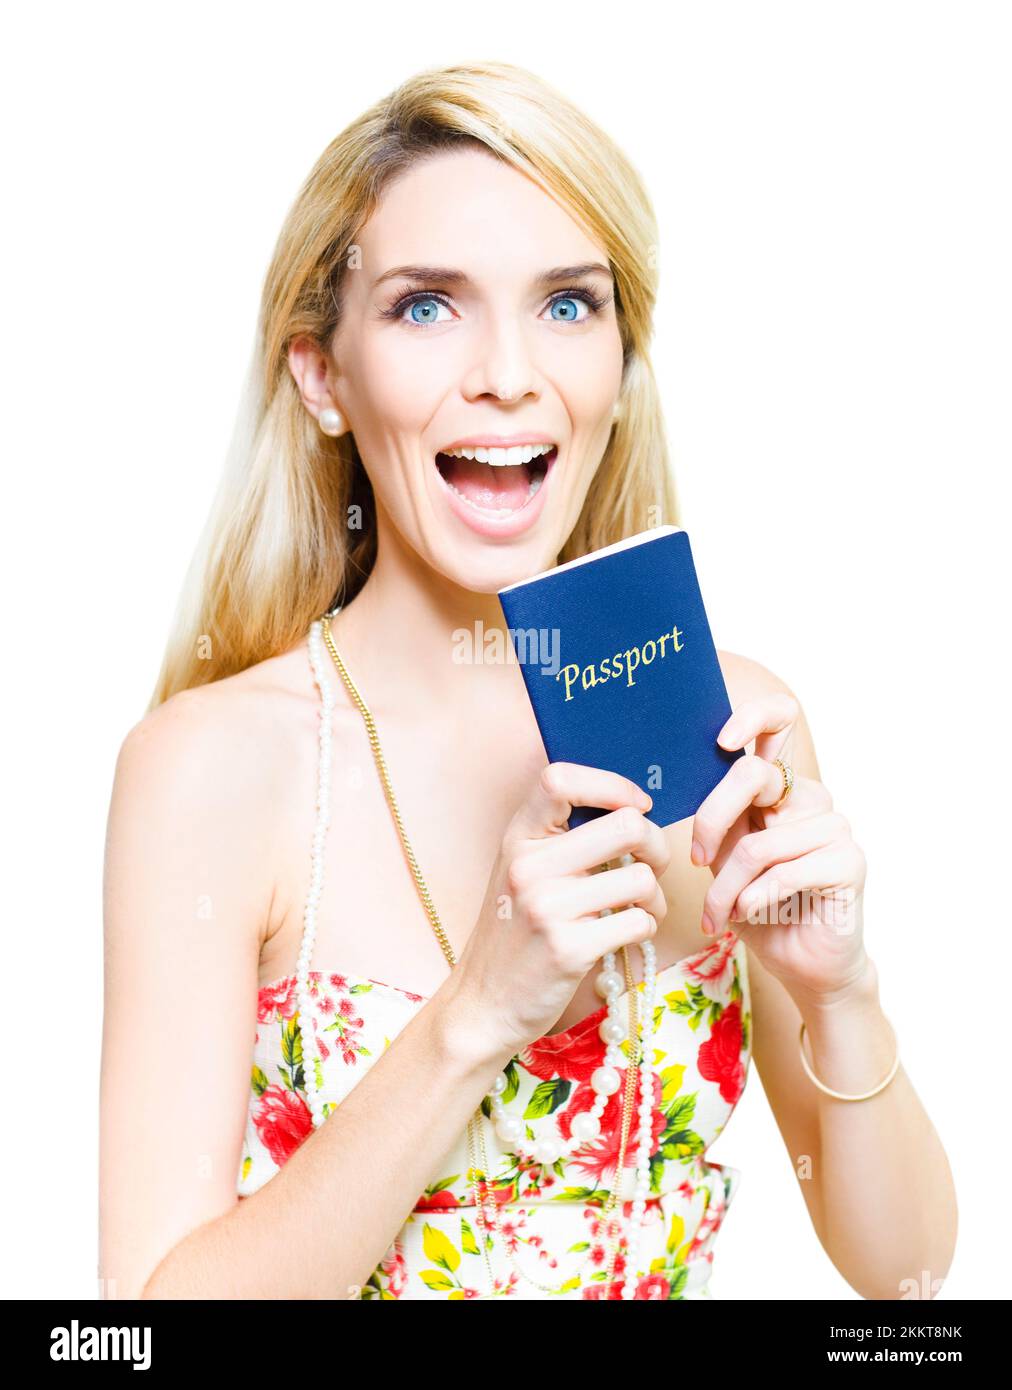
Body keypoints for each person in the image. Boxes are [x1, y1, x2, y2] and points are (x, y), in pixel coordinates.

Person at [99, 60, 957, 1301]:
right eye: (426, 306)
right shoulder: (209, 768)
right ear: (322, 375)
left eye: (566, 304)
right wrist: (477, 1010)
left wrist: (842, 991)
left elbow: (912, 1276)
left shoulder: (726, 722)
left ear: (618, 364)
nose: (509, 372)